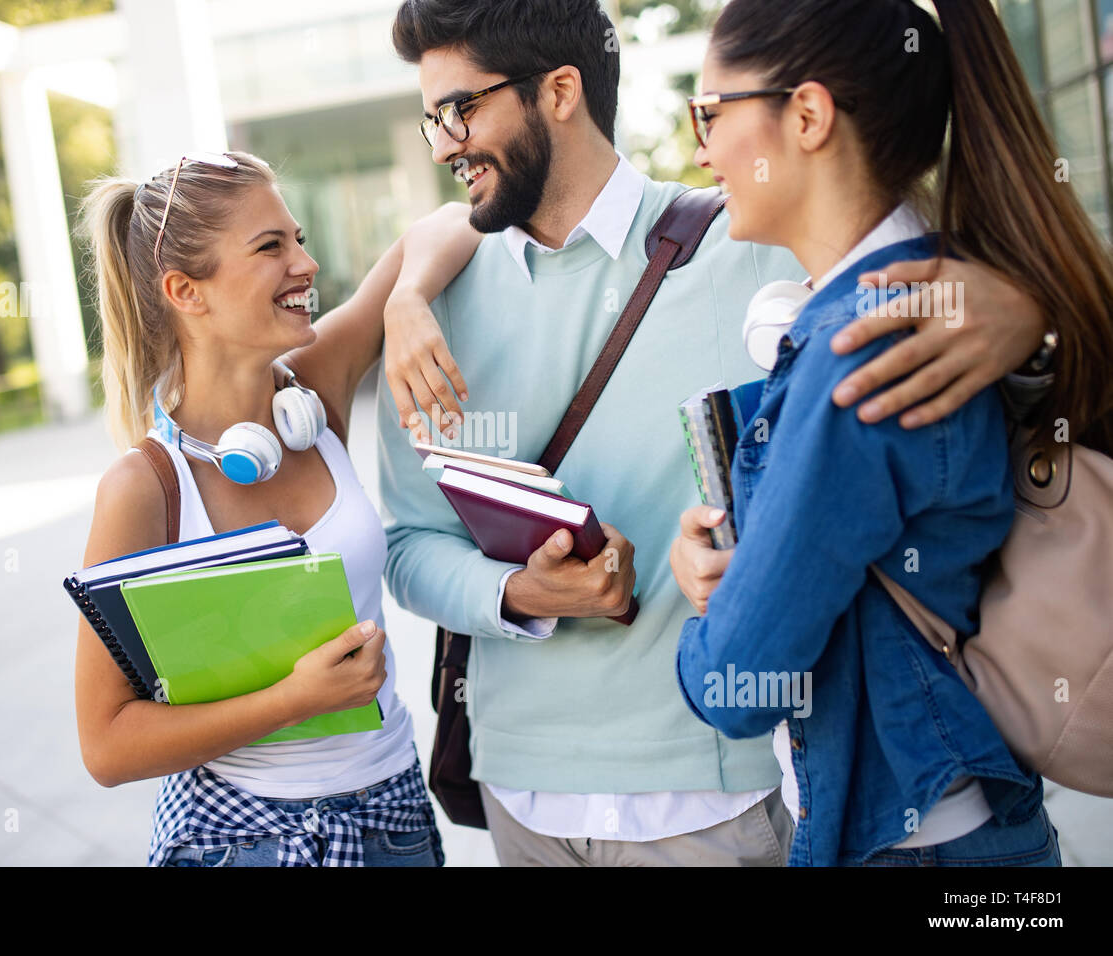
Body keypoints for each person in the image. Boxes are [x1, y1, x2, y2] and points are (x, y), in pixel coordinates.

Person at [376, 0, 1053, 867]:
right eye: (431, 116)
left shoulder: (755, 243)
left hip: (729, 802)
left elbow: (902, 255)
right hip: (521, 795)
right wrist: (515, 594)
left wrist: (1026, 314)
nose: (442, 144)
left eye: (460, 108)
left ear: (560, 90)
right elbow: (411, 544)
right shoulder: (427, 310)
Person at [672, 0, 1113, 866]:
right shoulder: (948, 292)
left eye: (710, 114)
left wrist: (709, 619)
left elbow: (738, 684)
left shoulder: (863, 355)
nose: (701, 150)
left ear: (806, 115)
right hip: (970, 821)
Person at [73, 150, 483, 867]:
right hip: (238, 840)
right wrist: (293, 700)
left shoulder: (315, 391)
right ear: (186, 291)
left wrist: (407, 297)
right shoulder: (144, 488)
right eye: (271, 246)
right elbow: (106, 745)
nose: (306, 263)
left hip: (395, 818)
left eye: (298, 238)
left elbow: (451, 219)